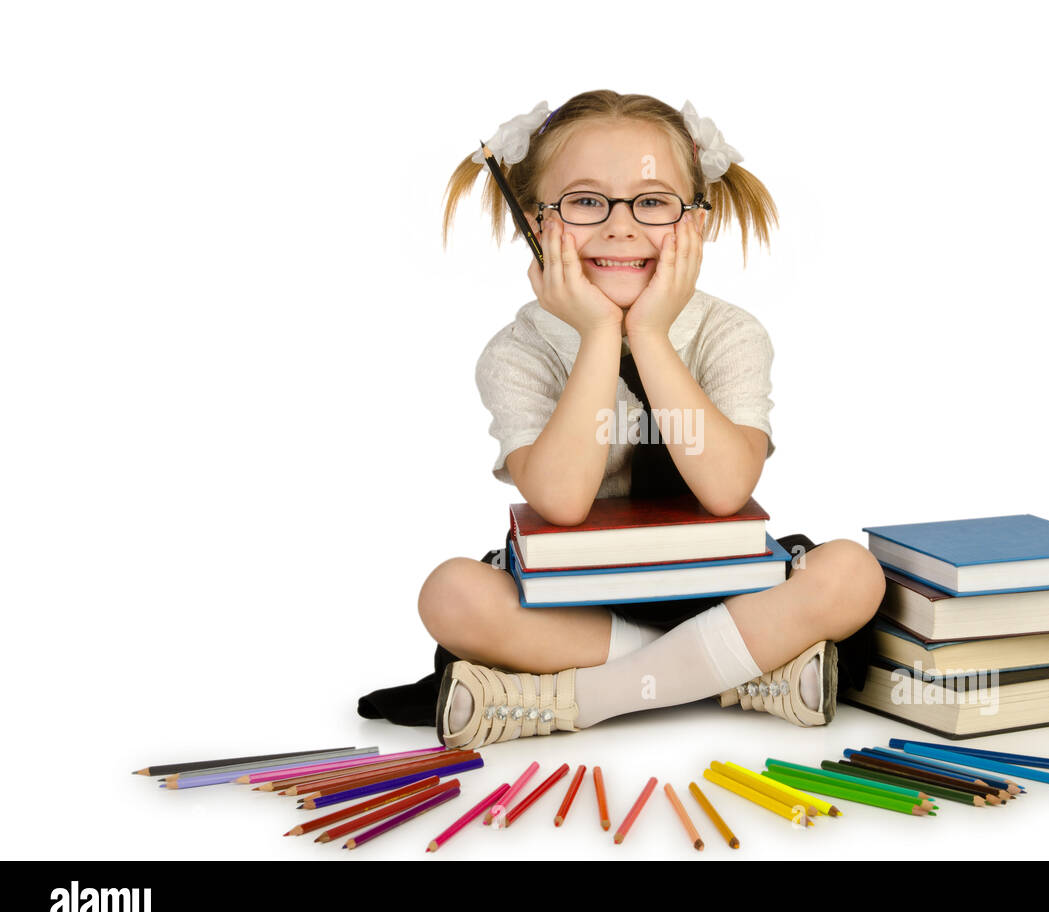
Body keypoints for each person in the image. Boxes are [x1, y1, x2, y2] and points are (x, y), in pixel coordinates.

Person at [357, 90, 885, 748]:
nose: (620, 227)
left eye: (653, 201)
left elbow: (725, 488)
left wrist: (654, 335)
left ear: (698, 220)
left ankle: (571, 699)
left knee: (853, 574)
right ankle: (737, 673)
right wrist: (600, 333)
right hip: (578, 602)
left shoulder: (731, 334)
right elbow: (562, 501)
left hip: (725, 591)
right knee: (451, 595)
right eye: (584, 202)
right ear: (532, 221)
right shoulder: (516, 354)